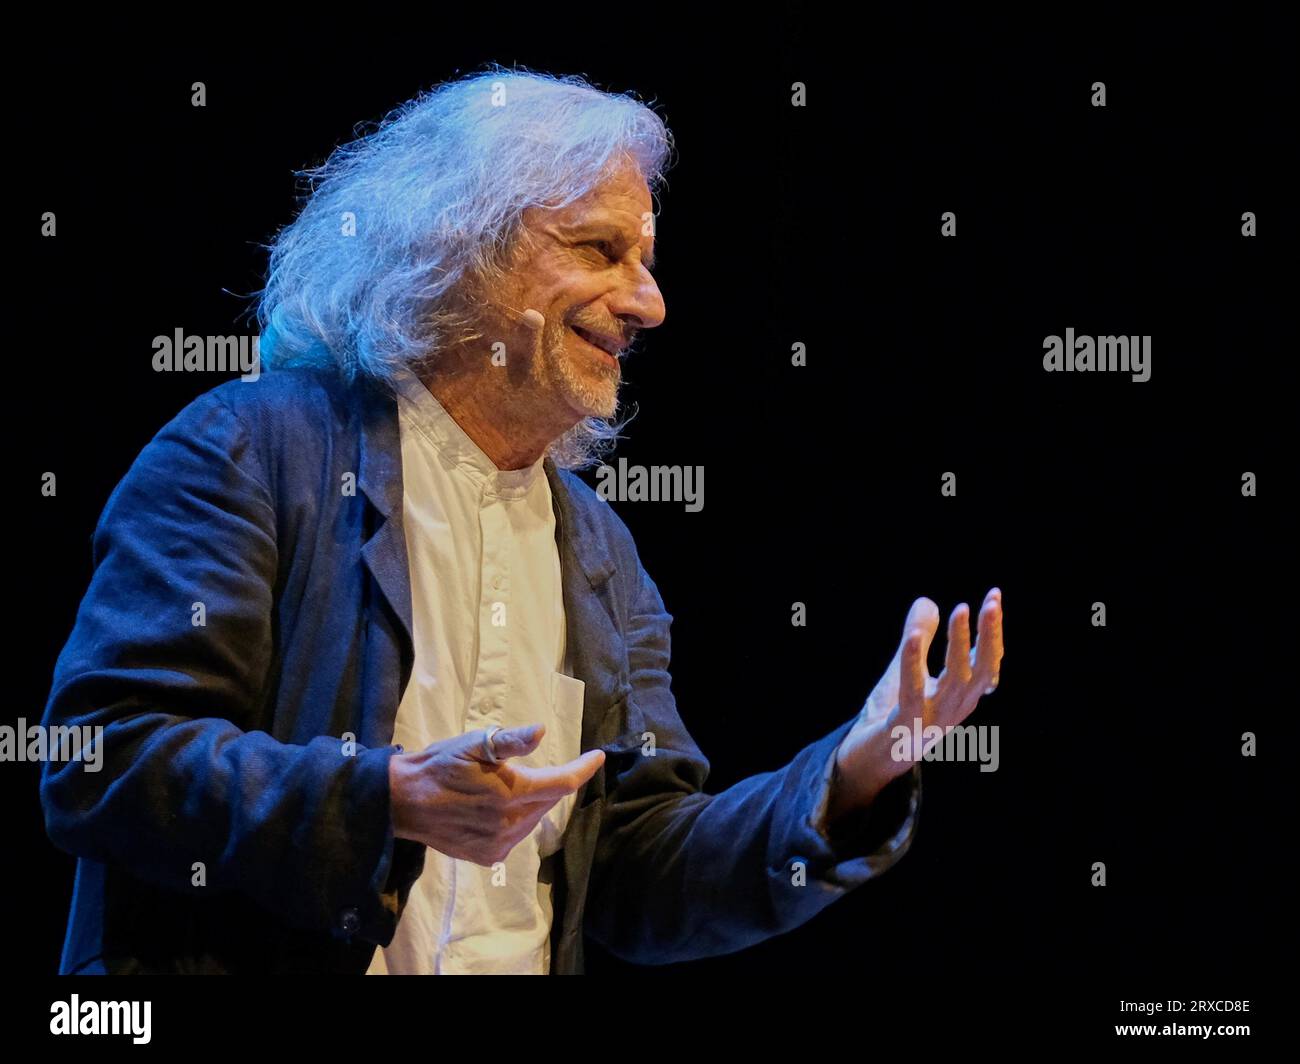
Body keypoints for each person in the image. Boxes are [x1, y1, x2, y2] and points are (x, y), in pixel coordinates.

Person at [39, 67, 1004, 975]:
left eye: (649, 261)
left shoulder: (597, 549)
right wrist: (383, 797)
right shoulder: (252, 450)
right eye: (600, 250)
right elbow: (102, 758)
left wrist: (851, 772)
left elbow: (636, 871)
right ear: (461, 245)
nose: (650, 304)